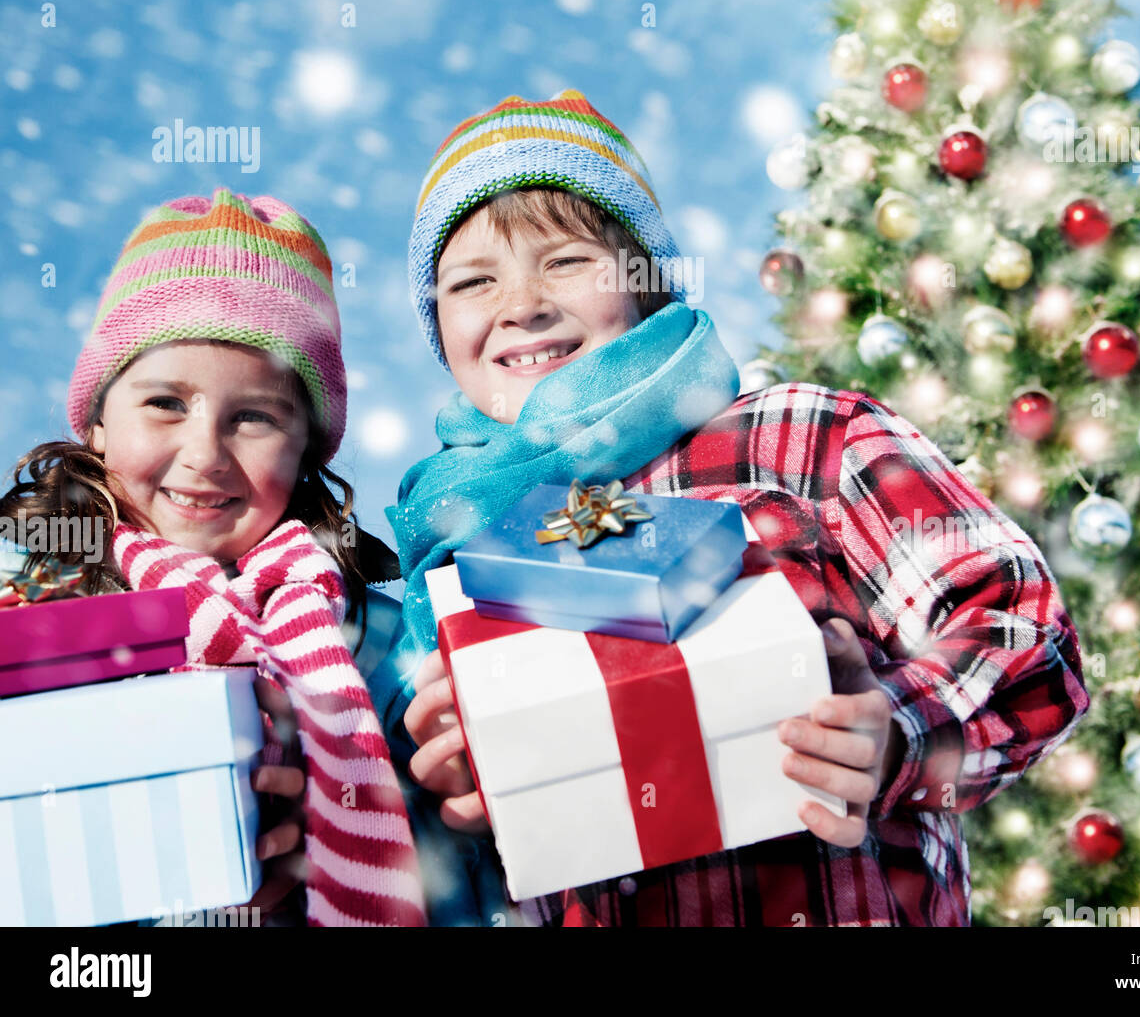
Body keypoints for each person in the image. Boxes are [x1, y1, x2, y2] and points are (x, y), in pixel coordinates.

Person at [371, 88, 1091, 926]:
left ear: (644, 282)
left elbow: (1022, 628)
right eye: (473, 281)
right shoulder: (459, 550)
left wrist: (895, 733)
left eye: (565, 261)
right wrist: (468, 791)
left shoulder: (804, 435)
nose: (519, 303)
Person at [0, 188, 425, 927]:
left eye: (254, 417)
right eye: (165, 403)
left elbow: (467, 859)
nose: (203, 456)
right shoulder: (26, 623)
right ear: (98, 421)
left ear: (305, 452)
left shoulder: (383, 646)